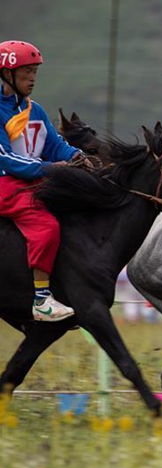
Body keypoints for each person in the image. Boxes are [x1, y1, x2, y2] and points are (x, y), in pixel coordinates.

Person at [0, 40, 87, 322]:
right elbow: (7, 160)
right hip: (6, 185)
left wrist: (79, 157)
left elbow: (55, 145)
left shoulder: (33, 110)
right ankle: (41, 300)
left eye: (35, 71)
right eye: (27, 71)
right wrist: (50, 169)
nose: (33, 78)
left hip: (31, 180)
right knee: (46, 226)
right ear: (7, 73)